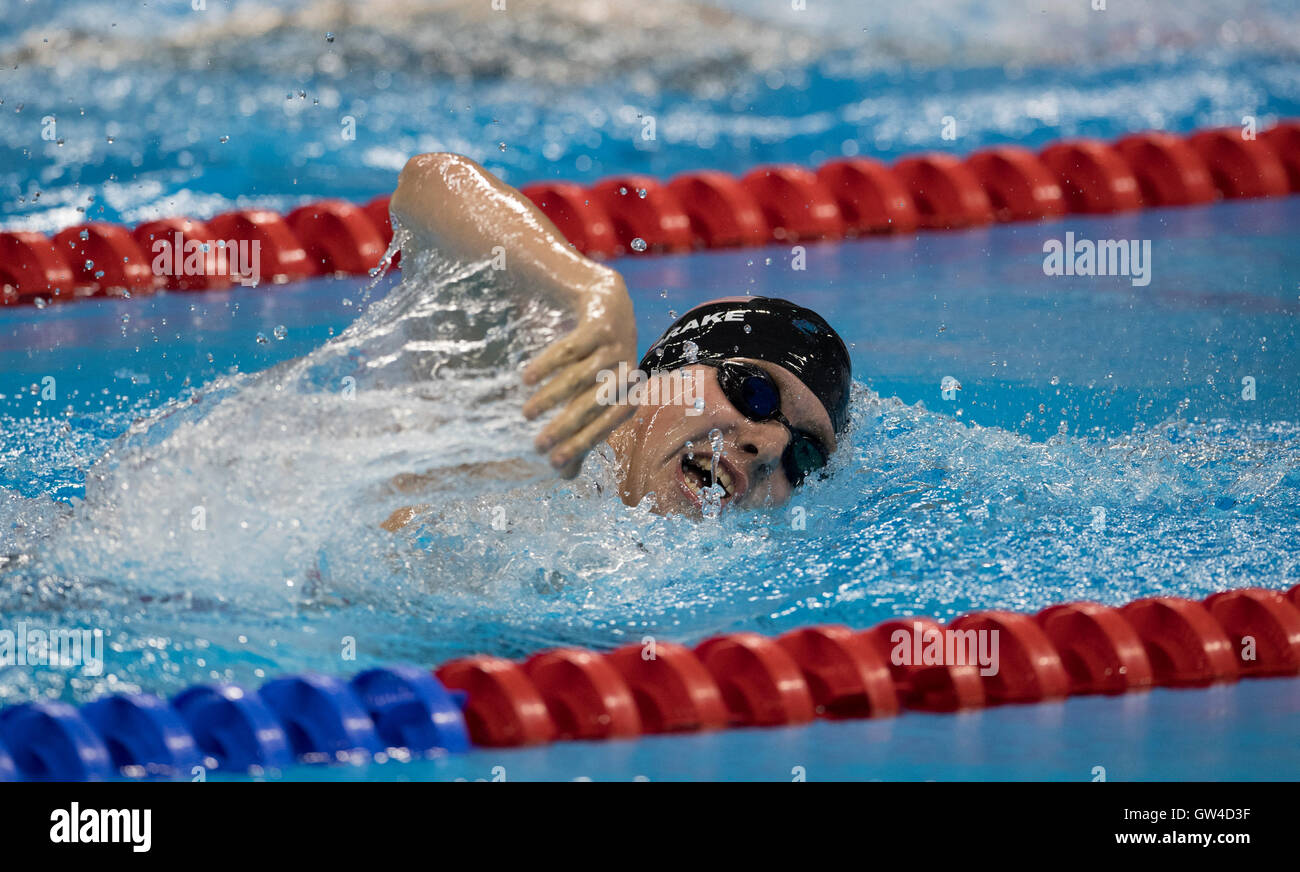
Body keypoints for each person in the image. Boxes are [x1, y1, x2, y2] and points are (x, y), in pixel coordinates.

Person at [384, 152, 851, 522]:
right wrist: (587, 287)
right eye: (755, 391)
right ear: (664, 368)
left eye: (805, 456)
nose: (769, 448)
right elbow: (431, 182)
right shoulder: (531, 408)